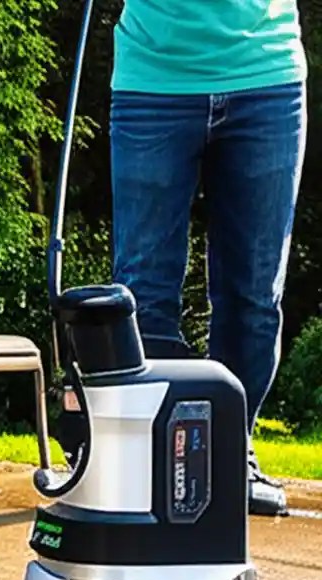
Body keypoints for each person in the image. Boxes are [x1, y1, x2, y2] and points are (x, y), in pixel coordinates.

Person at [110, 0, 306, 516]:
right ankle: (152, 453)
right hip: (152, 78)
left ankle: (229, 451)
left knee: (255, 297)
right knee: (142, 294)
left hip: (267, 77)